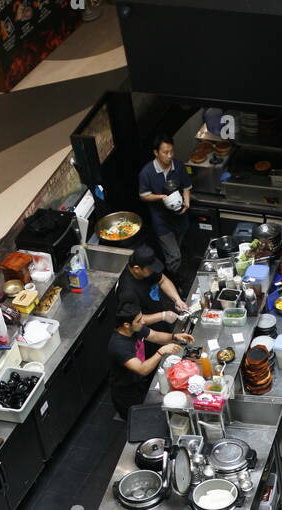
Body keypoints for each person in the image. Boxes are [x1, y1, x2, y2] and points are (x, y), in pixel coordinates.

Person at [108, 301, 193, 421]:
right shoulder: (119, 346)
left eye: (141, 318)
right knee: (137, 421)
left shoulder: (135, 329)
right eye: (138, 320)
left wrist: (174, 337)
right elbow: (142, 369)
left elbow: (155, 336)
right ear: (126, 324)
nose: (142, 322)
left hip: (139, 383)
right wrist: (161, 352)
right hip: (127, 391)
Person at [138, 133, 192, 278]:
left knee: (176, 250)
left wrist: (186, 202)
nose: (169, 155)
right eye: (165, 152)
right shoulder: (147, 172)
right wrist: (160, 197)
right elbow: (143, 195)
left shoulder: (179, 167)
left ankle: (172, 271)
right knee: (174, 255)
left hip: (179, 216)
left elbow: (187, 186)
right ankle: (172, 280)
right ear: (156, 152)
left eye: (171, 151)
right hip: (161, 221)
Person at [115, 246, 187, 330]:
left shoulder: (146, 270)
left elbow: (163, 280)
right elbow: (135, 321)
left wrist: (177, 299)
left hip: (156, 307)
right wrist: (162, 316)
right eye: (150, 269)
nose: (153, 271)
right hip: (145, 328)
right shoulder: (127, 292)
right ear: (137, 269)